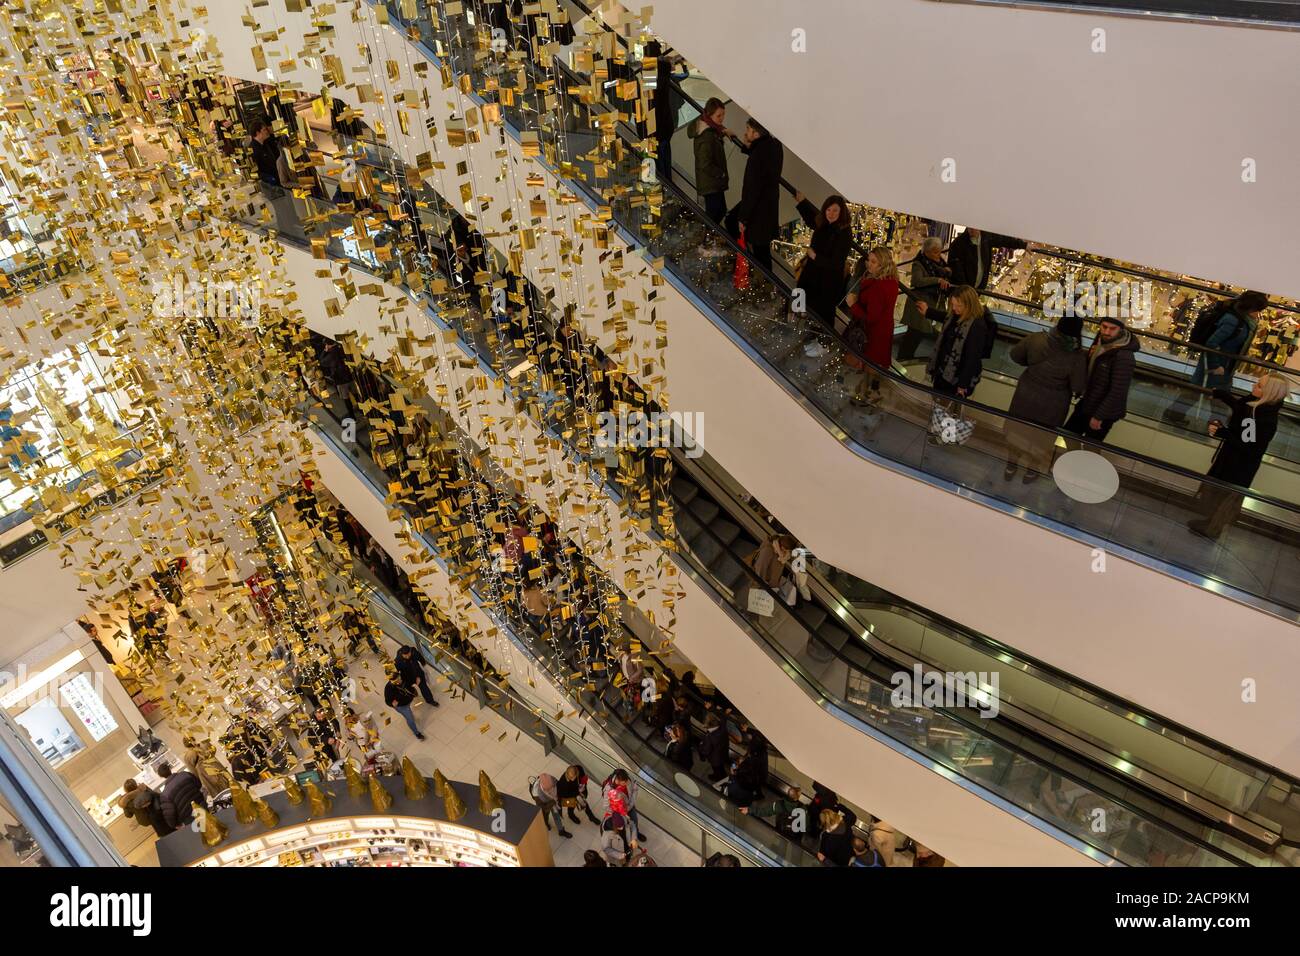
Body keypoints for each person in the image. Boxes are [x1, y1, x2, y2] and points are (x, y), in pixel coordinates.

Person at [1188, 373, 1289, 539]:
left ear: (1269, 393)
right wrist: (1225, 396)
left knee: (1225, 497)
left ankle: (1213, 529)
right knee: (1220, 494)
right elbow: (1241, 411)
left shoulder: (1263, 416)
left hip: (1239, 465)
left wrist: (1224, 433)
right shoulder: (1258, 407)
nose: (1253, 387)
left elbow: (1248, 445)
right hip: (1234, 459)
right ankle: (1210, 524)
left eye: (1259, 386)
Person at [1002, 315, 1087, 482]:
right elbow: (1078, 386)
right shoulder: (1077, 357)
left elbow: (1015, 355)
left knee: (1018, 429)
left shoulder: (1037, 339)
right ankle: (1031, 471)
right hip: (1053, 403)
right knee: (1042, 437)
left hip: (1026, 393)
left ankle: (1011, 465)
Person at [1164, 291, 1269, 426]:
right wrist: (1215, 366)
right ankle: (1215, 424)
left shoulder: (1245, 321)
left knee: (1200, 390)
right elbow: (1212, 343)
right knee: (1217, 396)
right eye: (1258, 310)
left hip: (1225, 365)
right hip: (1216, 365)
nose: (1258, 314)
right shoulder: (1233, 320)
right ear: (1252, 308)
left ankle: (1175, 414)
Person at [1063, 315, 1140, 443]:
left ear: (1120, 330)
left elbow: (1118, 391)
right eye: (1104, 327)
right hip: (1088, 402)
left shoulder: (1124, 355)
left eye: (1112, 328)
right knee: (1068, 437)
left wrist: (1099, 416)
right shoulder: (1100, 341)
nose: (1106, 332)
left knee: (1090, 448)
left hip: (1104, 412)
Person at [726, 118, 783, 272]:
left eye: (748, 129)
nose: (746, 132)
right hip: (768, 207)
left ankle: (762, 279)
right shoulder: (775, 146)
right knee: (762, 250)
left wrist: (743, 218)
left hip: (758, 210)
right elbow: (762, 156)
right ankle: (765, 281)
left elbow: (751, 189)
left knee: (760, 251)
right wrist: (748, 146)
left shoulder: (758, 156)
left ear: (756, 134)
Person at [845, 245, 900, 404]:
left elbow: (871, 318)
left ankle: (866, 397)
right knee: (875, 365)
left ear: (882, 264)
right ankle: (869, 394)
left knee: (869, 365)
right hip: (884, 330)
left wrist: (853, 305)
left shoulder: (878, 286)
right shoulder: (891, 281)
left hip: (873, 332)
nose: (868, 264)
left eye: (874, 261)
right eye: (868, 259)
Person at [791, 192, 854, 327]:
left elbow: (837, 263)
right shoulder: (824, 224)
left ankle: (822, 342)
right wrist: (802, 202)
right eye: (828, 209)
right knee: (801, 300)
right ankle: (800, 327)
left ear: (841, 212)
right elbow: (812, 218)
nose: (831, 213)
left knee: (824, 315)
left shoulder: (844, 233)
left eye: (835, 210)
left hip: (828, 282)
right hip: (812, 275)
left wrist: (815, 257)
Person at [927, 285, 992, 398]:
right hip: (942, 371)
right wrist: (928, 311)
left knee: (948, 408)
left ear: (969, 305)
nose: (954, 308)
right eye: (953, 304)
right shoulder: (955, 315)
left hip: (956, 379)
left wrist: (962, 385)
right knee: (937, 403)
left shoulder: (977, 326)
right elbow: (945, 317)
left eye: (958, 305)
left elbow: (972, 358)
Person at [897, 237, 951, 360]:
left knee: (917, 334)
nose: (938, 255)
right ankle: (903, 360)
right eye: (935, 252)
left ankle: (905, 359)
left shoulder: (941, 265)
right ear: (927, 252)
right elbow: (917, 280)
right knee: (913, 335)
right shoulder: (919, 263)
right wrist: (937, 280)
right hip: (918, 305)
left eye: (939, 251)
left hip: (931, 304)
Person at [947, 227, 1032, 290]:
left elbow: (1003, 240)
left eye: (974, 227)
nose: (972, 230)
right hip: (964, 290)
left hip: (978, 288)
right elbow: (956, 268)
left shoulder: (986, 237)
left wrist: (1024, 245)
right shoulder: (958, 243)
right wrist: (964, 288)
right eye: (970, 227)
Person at [688, 96, 730, 223]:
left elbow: (714, 130)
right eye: (719, 116)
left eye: (723, 114)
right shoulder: (706, 136)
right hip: (711, 182)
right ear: (710, 115)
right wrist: (720, 173)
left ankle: (708, 237)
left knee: (719, 210)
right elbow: (704, 163)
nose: (722, 118)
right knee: (715, 213)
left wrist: (723, 131)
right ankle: (706, 238)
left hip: (713, 182)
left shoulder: (712, 130)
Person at [157, 761, 206, 831]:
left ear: (161, 776)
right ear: (169, 768)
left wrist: (175, 825)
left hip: (190, 819)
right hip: (203, 805)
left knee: (203, 834)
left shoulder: (164, 795)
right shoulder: (185, 774)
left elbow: (170, 815)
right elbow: (199, 784)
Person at [383, 669, 425, 740]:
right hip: (402, 706)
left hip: (409, 699)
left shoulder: (402, 677)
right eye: (397, 679)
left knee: (410, 714)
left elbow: (409, 680)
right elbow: (387, 701)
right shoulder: (388, 688)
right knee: (410, 720)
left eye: (399, 677)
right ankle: (417, 733)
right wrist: (392, 703)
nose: (400, 679)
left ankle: (410, 715)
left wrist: (415, 681)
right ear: (392, 681)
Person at [529, 772, 572, 838]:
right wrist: (553, 802)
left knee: (556, 816)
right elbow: (544, 808)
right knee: (545, 816)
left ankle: (561, 831)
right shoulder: (537, 795)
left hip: (553, 803)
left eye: (552, 787)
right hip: (546, 805)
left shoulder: (553, 780)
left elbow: (559, 789)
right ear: (542, 788)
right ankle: (546, 824)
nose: (552, 790)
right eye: (548, 790)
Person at [697, 712, 731, 783]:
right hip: (723, 753)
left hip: (715, 760)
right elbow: (723, 717)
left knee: (717, 769)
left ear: (709, 725)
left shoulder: (710, 738)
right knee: (721, 768)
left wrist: (700, 746)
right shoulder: (722, 725)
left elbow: (706, 751)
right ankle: (721, 776)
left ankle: (719, 779)